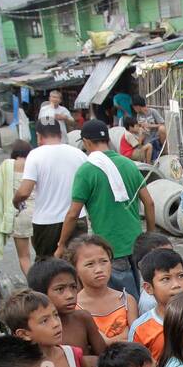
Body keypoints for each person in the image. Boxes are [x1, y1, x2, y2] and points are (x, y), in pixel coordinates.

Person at [59, 120, 155, 297]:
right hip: (136, 243)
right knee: (138, 292)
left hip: (109, 248)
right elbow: (149, 203)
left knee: (121, 300)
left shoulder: (87, 171)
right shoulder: (129, 164)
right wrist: (150, 236)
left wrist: (61, 244)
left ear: (86, 142)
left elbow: (73, 214)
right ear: (108, 139)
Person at [15, 122, 87, 261]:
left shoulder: (35, 155)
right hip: (77, 218)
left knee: (47, 265)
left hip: (47, 222)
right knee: (77, 263)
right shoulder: (78, 154)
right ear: (60, 134)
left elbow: (24, 192)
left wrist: (15, 201)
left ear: (39, 136)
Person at [27, 257, 106, 363]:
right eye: (60, 289)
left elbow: (104, 358)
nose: (70, 295)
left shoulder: (83, 318)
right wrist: (85, 362)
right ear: (41, 293)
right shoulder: (35, 330)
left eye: (73, 287)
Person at [69, 234, 131, 344]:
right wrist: (121, 337)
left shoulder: (126, 300)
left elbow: (136, 337)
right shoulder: (73, 307)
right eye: (90, 264)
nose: (99, 269)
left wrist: (104, 341)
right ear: (75, 269)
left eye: (104, 261)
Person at [131, 248, 183, 363]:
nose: (176, 284)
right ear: (148, 288)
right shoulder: (141, 329)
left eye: (181, 276)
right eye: (166, 279)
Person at [0, 139, 34, 275]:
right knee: (43, 254)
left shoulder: (7, 166)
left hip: (20, 213)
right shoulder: (34, 164)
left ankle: (34, 285)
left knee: (24, 256)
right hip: (40, 214)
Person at [130, 94, 167, 158]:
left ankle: (165, 150)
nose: (134, 109)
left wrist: (150, 125)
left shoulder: (153, 112)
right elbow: (139, 128)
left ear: (138, 106)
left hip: (156, 137)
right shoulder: (138, 115)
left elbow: (163, 124)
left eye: (134, 107)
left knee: (162, 128)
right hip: (146, 138)